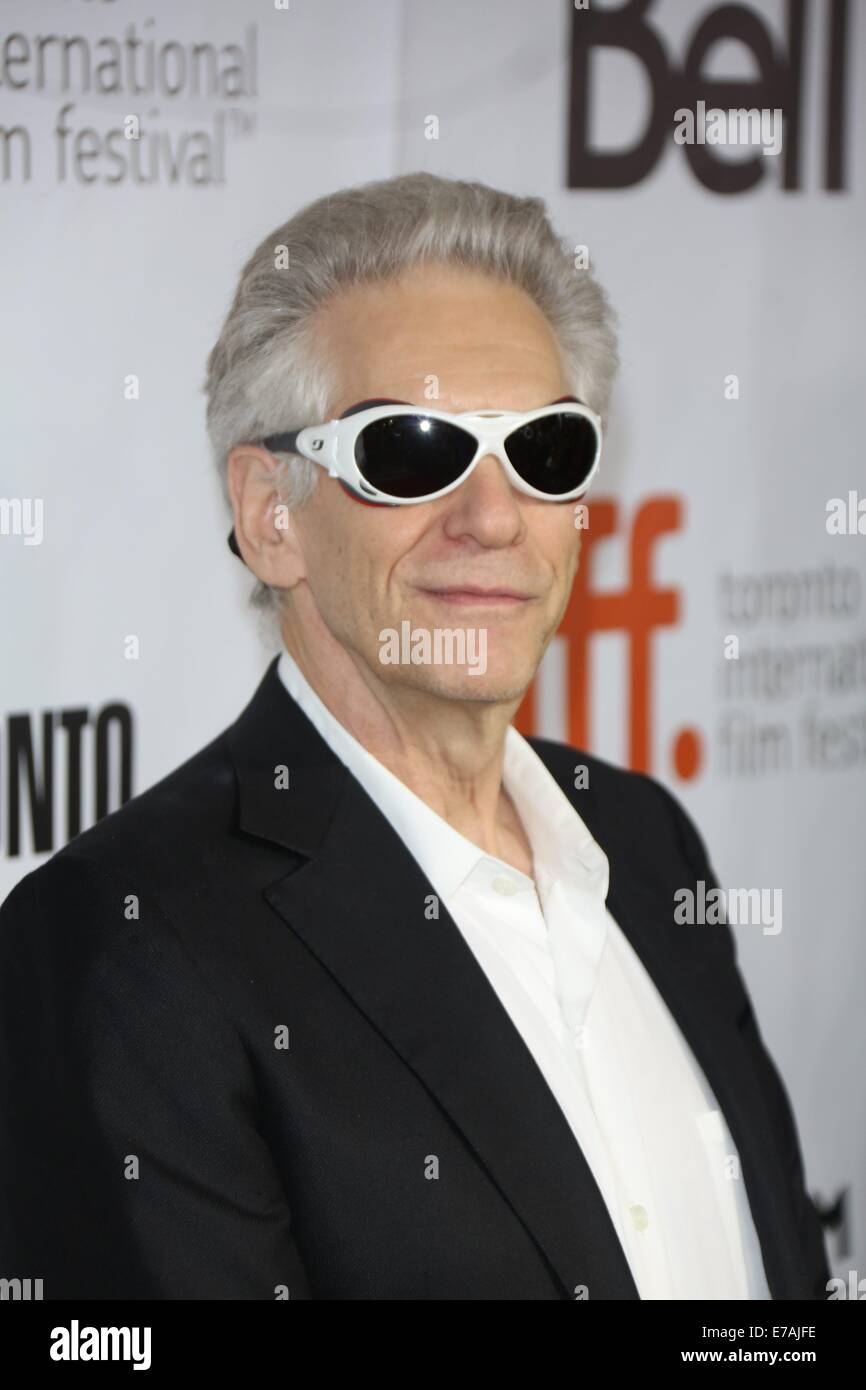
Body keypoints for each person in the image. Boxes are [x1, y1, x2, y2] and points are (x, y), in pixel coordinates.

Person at [0, 172, 829, 1300]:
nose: (492, 517)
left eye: (542, 450)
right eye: (411, 449)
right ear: (270, 515)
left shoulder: (643, 841)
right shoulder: (127, 947)